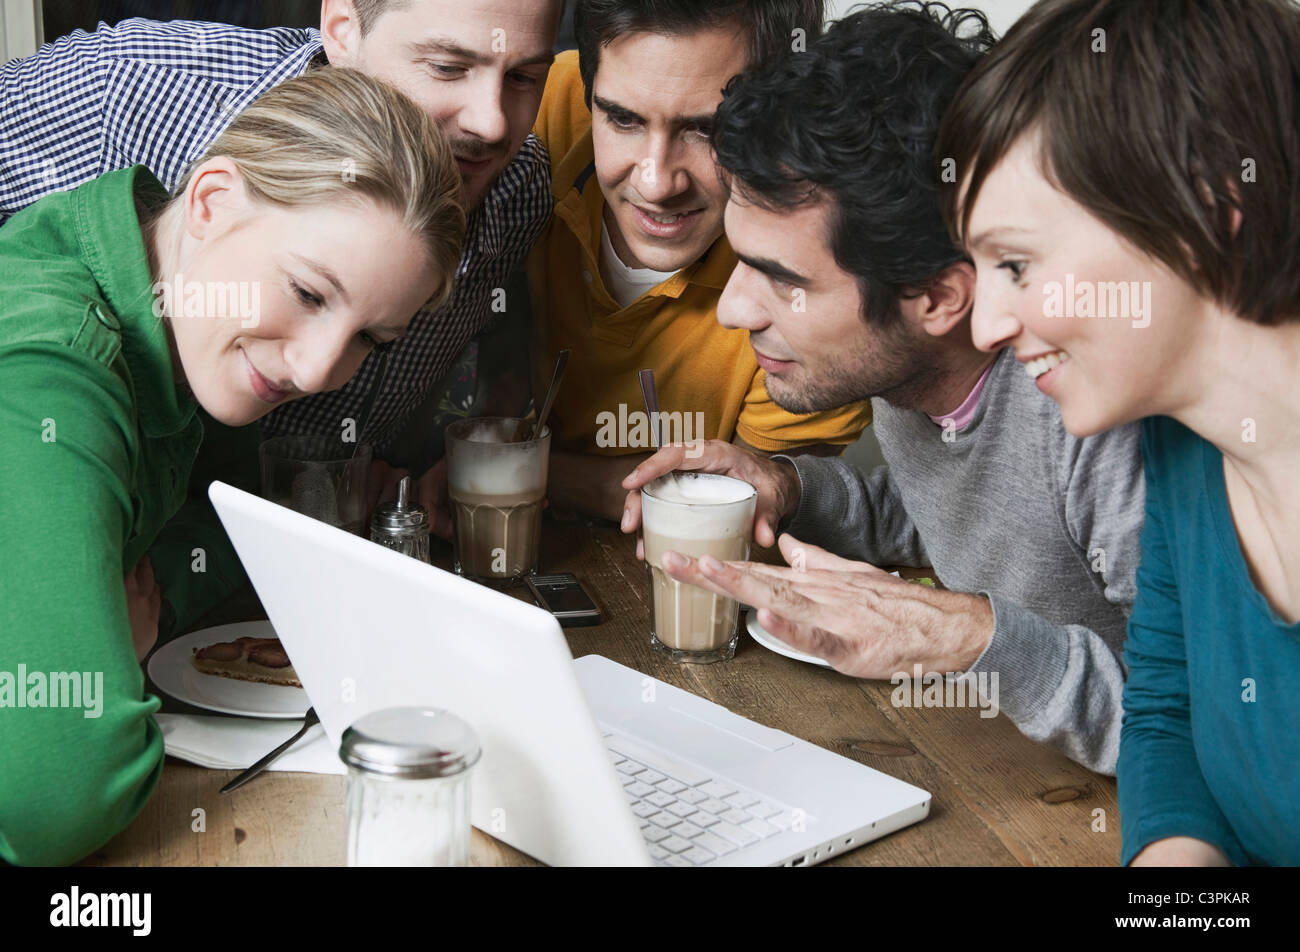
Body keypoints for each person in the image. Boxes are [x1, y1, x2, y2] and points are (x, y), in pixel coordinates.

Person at [620, 2, 1144, 774]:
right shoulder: (911, 375)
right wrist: (790, 487)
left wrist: (971, 638)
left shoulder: (1098, 421)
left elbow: (1217, 737)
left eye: (780, 279)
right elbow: (958, 516)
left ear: (937, 299)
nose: (734, 310)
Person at [0, 68, 464, 866]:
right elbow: (60, 799)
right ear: (213, 200)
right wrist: (115, 655)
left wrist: (132, 620)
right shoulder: (55, 369)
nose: (318, 371)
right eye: (309, 293)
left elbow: (219, 531)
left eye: (368, 339)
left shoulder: (182, 319)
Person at [0, 0, 562, 628]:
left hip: (240, 584)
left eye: (523, 77)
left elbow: (243, 496)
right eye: (447, 66)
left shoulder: (516, 191)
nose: (491, 123)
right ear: (343, 29)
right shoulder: (133, 90)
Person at [935, 0, 1300, 865]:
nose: (985, 324)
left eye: (1016, 263)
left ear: (1209, 206)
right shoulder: (1180, 445)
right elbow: (1169, 717)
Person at [524, 0, 873, 523]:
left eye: (707, 130)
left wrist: (526, 469)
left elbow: (739, 509)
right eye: (622, 119)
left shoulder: (831, 271)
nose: (656, 182)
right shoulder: (526, 109)